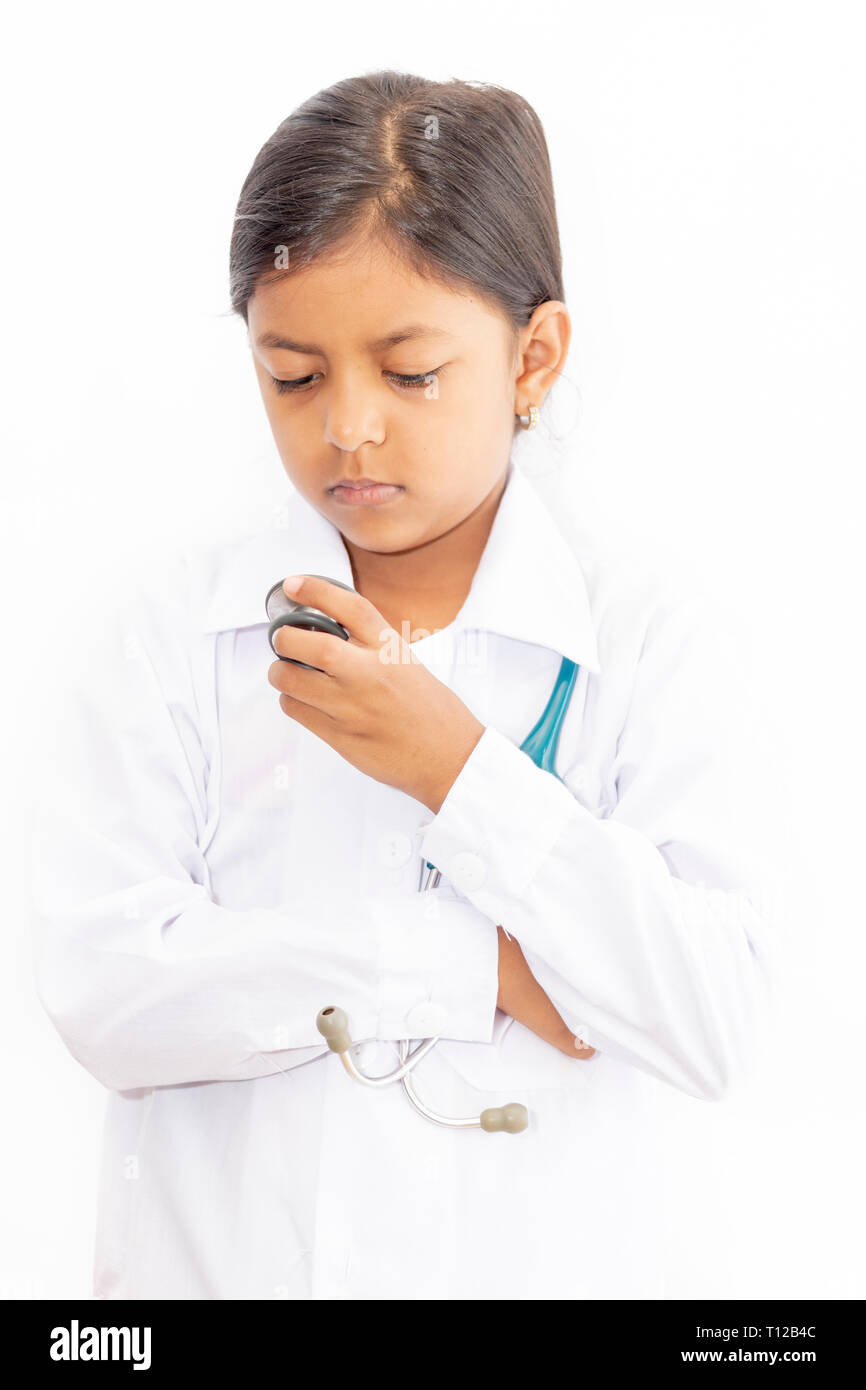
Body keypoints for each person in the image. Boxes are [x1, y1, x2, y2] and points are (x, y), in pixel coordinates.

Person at [30, 70, 780, 1300]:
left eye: (410, 371)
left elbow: (707, 1017)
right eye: (294, 374)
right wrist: (472, 967)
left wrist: (459, 768)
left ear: (532, 356)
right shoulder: (166, 638)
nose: (350, 429)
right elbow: (108, 995)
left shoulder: (648, 638)